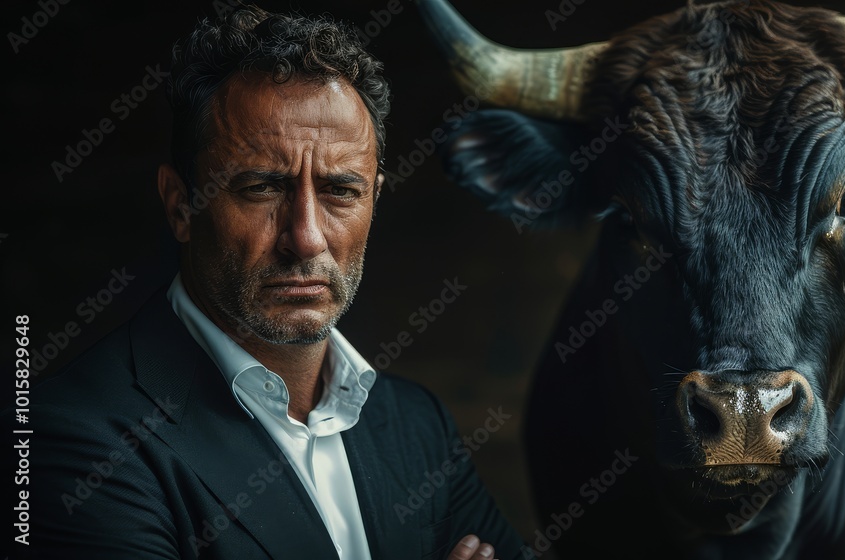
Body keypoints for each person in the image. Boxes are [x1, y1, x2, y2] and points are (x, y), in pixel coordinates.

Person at [11, 6, 525, 559]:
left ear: (375, 197)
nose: (305, 238)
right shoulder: (69, 440)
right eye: (261, 187)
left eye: (340, 192)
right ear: (180, 205)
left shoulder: (418, 427)